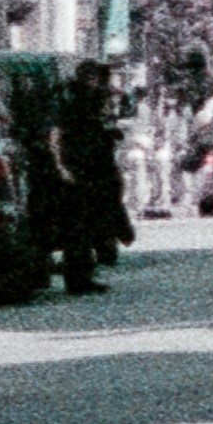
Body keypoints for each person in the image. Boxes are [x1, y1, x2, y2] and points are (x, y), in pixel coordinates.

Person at [53, 61, 132, 291]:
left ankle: (84, 272)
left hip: (93, 168)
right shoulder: (74, 100)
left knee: (86, 223)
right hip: (81, 170)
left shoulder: (87, 99)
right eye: (100, 79)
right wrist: (62, 167)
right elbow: (56, 134)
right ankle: (78, 276)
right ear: (91, 78)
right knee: (79, 225)